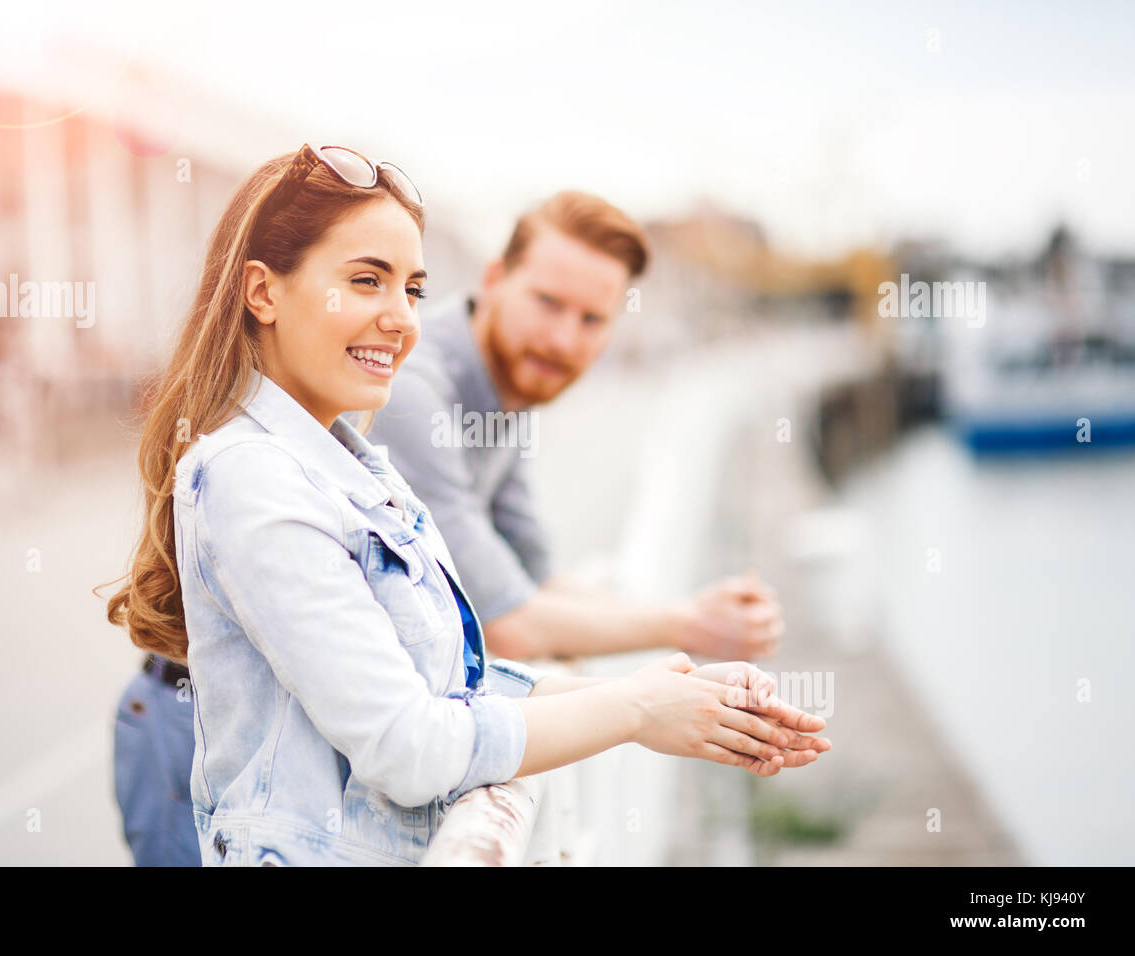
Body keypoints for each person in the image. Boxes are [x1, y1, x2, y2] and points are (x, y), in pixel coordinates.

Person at [103, 144, 829, 866]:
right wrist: (639, 703)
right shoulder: (264, 474)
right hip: (205, 732)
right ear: (263, 293)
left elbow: (473, 651)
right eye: (366, 280)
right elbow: (416, 731)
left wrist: (663, 689)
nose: (399, 319)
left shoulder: (354, 455)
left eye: (411, 290)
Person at [367, 191, 785, 663]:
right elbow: (506, 624)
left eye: (592, 319)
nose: (563, 340)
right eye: (548, 303)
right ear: (493, 280)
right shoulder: (410, 386)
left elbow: (536, 581)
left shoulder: (509, 385)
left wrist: (699, 613)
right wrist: (686, 624)